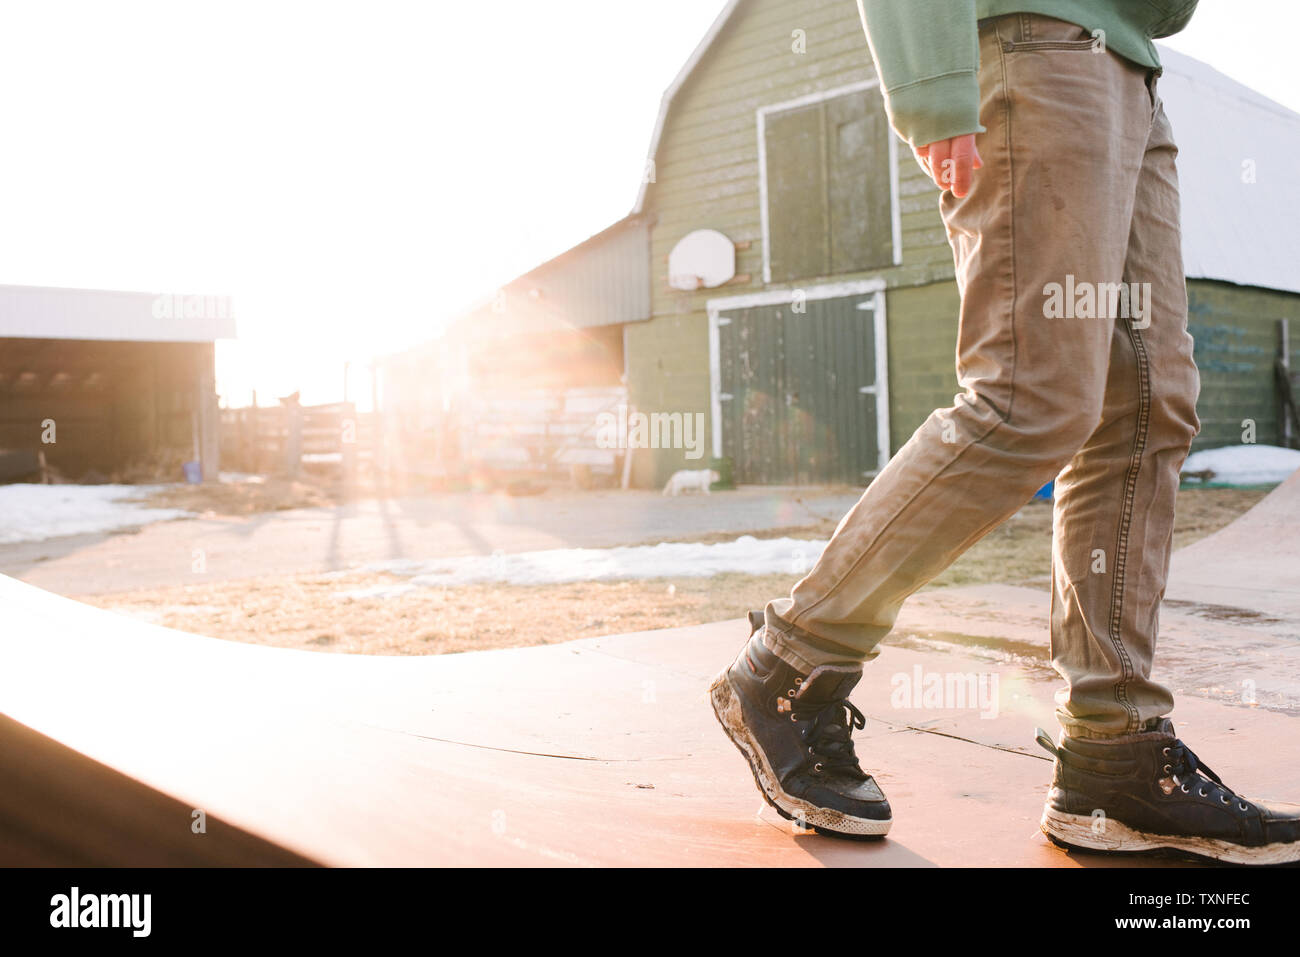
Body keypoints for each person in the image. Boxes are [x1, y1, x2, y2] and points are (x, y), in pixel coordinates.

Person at [710, 0, 1300, 864]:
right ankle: (789, 665)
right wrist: (935, 90)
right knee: (1030, 397)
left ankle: (1114, 751)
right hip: (1031, 46)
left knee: (1147, 406)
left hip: (1130, 71)